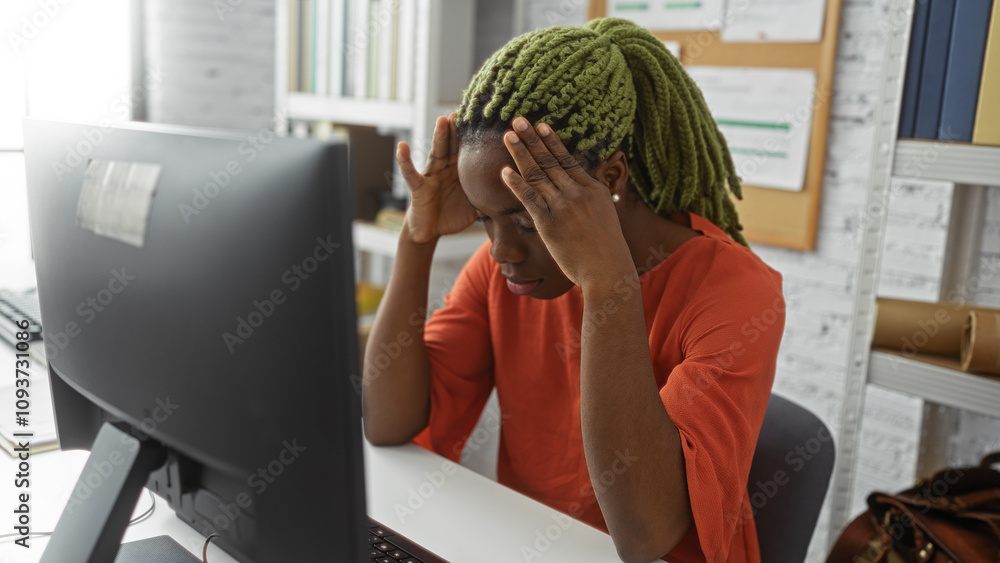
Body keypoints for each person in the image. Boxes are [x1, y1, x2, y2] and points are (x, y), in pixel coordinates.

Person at [362, 17, 784, 563]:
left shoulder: (735, 291)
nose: (500, 251)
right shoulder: (506, 272)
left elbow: (646, 536)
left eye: (525, 220)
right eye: (484, 220)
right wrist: (416, 240)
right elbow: (388, 423)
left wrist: (608, 283)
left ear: (609, 179)